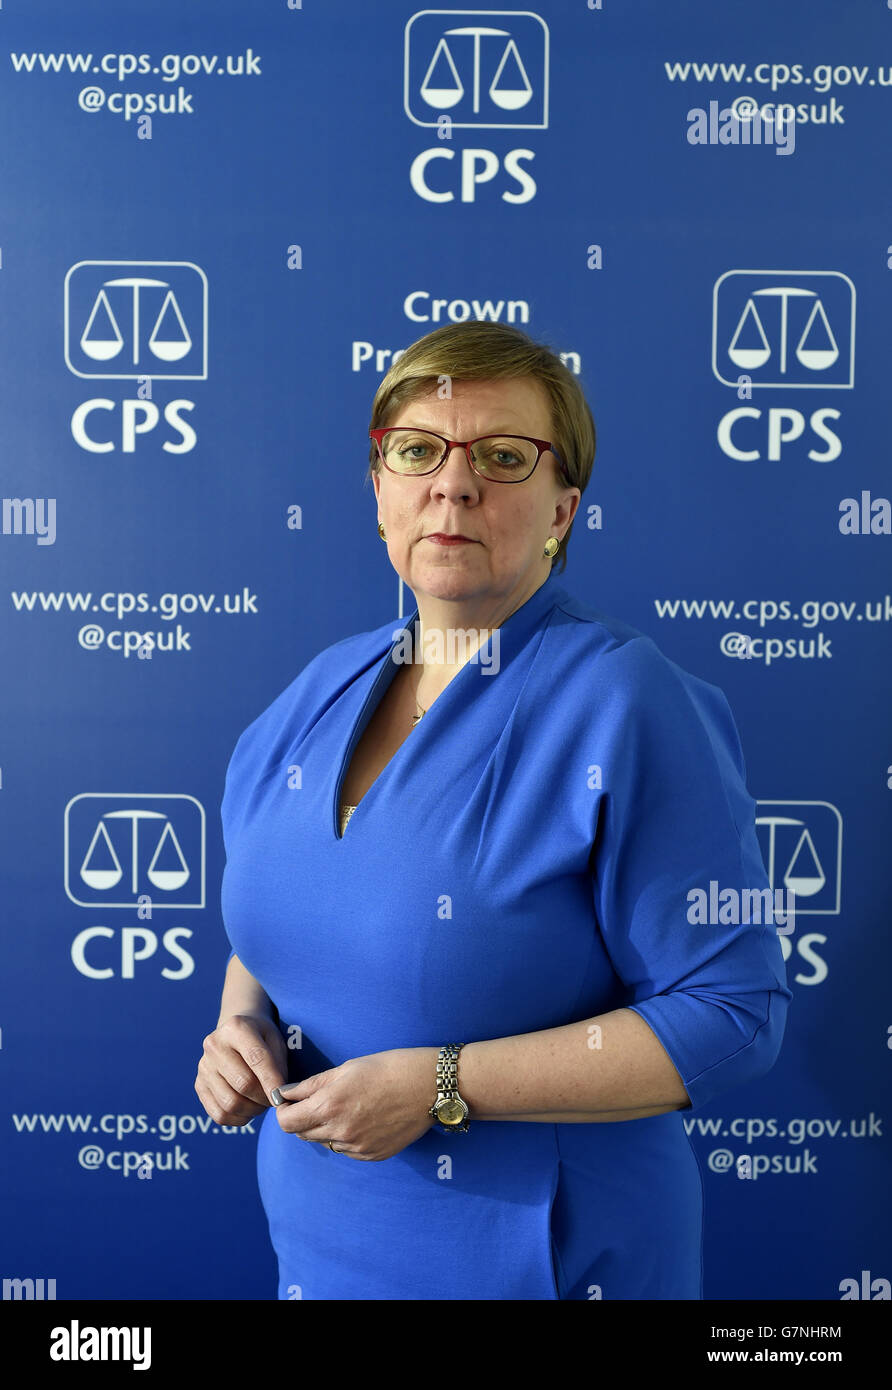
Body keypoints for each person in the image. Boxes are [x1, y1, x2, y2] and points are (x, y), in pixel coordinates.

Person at [195, 321, 792, 1300]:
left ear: (564, 507)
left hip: (544, 1264)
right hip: (323, 1247)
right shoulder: (314, 692)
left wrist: (440, 1085)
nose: (453, 483)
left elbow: (733, 1015)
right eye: (417, 449)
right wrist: (240, 1025)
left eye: (504, 457)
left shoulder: (626, 701)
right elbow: (286, 905)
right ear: (378, 487)